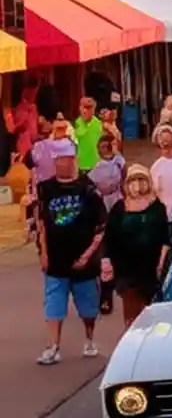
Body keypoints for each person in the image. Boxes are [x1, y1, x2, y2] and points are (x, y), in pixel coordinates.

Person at [34, 138, 106, 365]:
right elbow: (42, 223)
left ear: (73, 159)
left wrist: (88, 255)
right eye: (57, 160)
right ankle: (53, 346)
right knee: (53, 302)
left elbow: (101, 226)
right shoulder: (46, 188)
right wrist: (43, 252)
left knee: (88, 306)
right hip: (56, 258)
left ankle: (89, 337)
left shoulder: (88, 189)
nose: (62, 164)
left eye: (65, 159)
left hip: (83, 260)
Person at [101, 165, 170, 328]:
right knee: (131, 311)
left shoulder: (157, 208)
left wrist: (162, 262)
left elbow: (165, 238)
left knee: (152, 311)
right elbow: (109, 237)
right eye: (133, 180)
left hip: (151, 268)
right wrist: (106, 261)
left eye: (141, 180)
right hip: (126, 269)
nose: (138, 184)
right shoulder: (119, 208)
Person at [87, 134, 125, 314]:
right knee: (105, 256)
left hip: (119, 206)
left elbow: (125, 180)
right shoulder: (96, 168)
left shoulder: (119, 162)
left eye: (107, 146)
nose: (104, 149)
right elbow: (93, 190)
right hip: (104, 210)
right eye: (101, 147)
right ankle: (105, 296)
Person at [72, 97, 104, 174]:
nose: (87, 110)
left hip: (96, 164)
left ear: (94, 109)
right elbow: (79, 135)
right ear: (80, 108)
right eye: (85, 107)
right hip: (81, 165)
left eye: (90, 107)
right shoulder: (77, 123)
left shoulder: (98, 123)